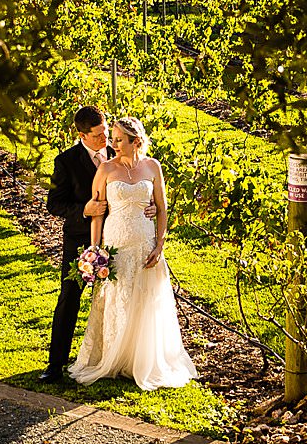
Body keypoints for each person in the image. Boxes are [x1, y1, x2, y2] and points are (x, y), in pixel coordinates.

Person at [68, 116, 198, 390]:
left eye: (118, 140)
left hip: (145, 244)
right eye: (113, 138)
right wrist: (94, 251)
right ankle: (113, 357)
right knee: (118, 298)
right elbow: (97, 214)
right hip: (116, 243)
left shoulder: (152, 167)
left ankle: (140, 359)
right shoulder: (105, 169)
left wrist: (159, 245)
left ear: (135, 141)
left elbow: (161, 209)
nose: (113, 144)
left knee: (145, 299)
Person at [44, 105, 116, 382]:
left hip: (117, 237)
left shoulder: (118, 153)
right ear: (82, 135)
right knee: (69, 298)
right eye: (97, 135)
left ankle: (112, 359)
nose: (104, 139)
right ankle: (55, 364)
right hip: (79, 240)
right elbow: (54, 204)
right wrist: (85, 209)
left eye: (105, 132)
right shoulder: (66, 161)